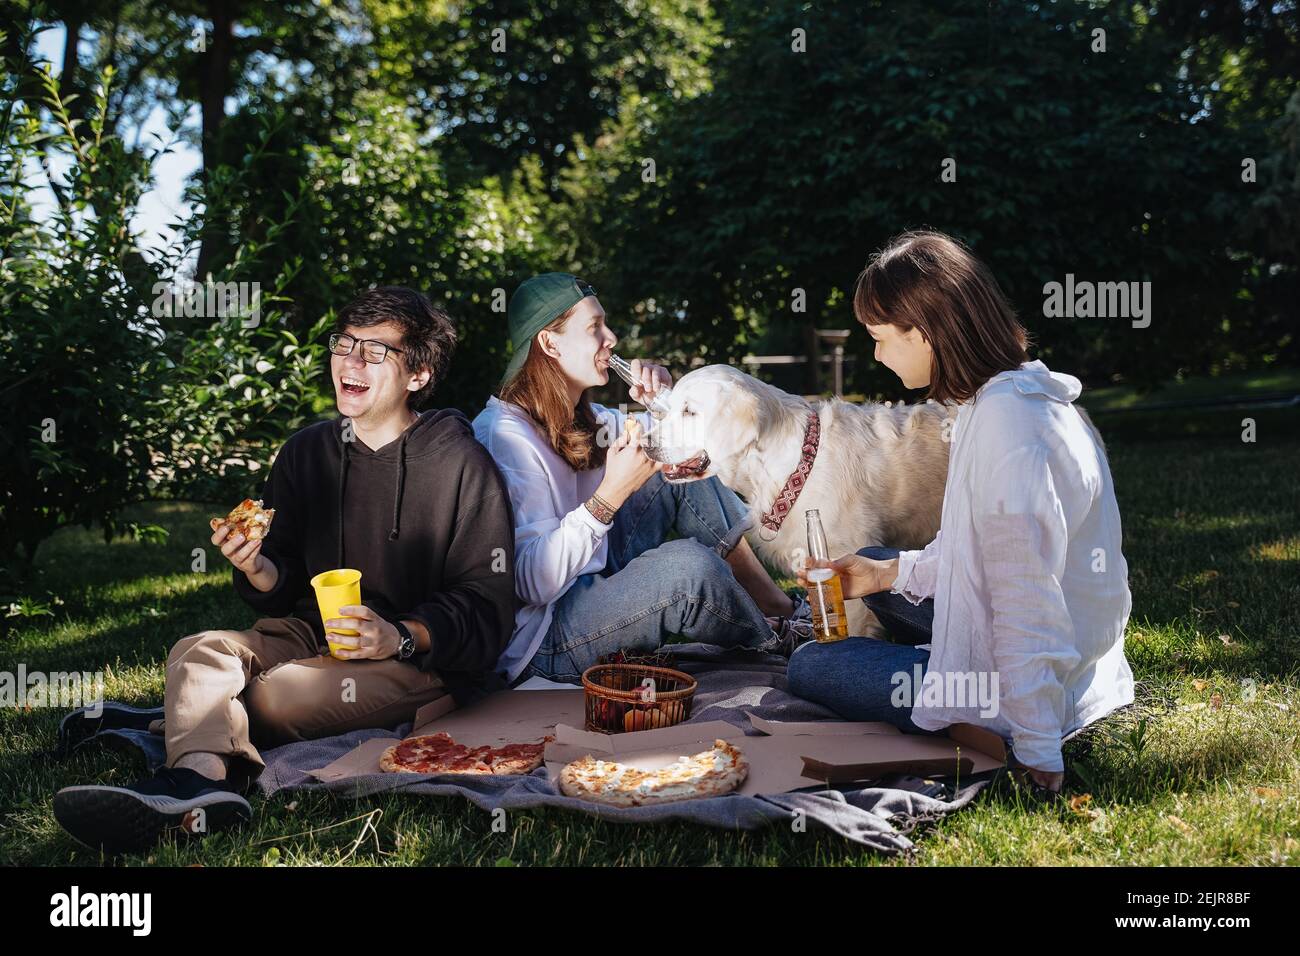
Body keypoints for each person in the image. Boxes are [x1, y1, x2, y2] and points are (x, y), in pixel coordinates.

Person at [54, 287, 518, 852]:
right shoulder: (306, 453)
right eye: (344, 344)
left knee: (275, 697)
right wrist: (258, 569)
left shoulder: (463, 467)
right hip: (311, 631)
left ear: (417, 375)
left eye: (376, 353)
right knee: (197, 651)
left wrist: (397, 634)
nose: (350, 362)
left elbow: (487, 605)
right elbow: (286, 579)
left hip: (415, 659)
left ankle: (175, 727)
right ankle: (198, 785)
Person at [788, 232, 1135, 794]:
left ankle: (968, 706)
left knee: (811, 665)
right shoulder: (1009, 397)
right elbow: (977, 550)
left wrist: (1038, 749)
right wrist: (884, 574)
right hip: (1075, 653)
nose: (875, 354)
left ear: (925, 332)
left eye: (880, 339)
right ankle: (917, 628)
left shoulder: (1007, 427)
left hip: (1026, 685)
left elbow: (1027, 596)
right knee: (875, 561)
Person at [472, 273, 812, 686]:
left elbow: (673, 445)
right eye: (594, 327)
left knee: (678, 467)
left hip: (595, 577)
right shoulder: (505, 436)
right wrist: (608, 498)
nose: (610, 337)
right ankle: (771, 640)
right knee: (687, 569)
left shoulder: (589, 419)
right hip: (545, 639)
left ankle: (780, 608)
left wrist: (664, 402)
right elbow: (531, 582)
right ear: (550, 343)